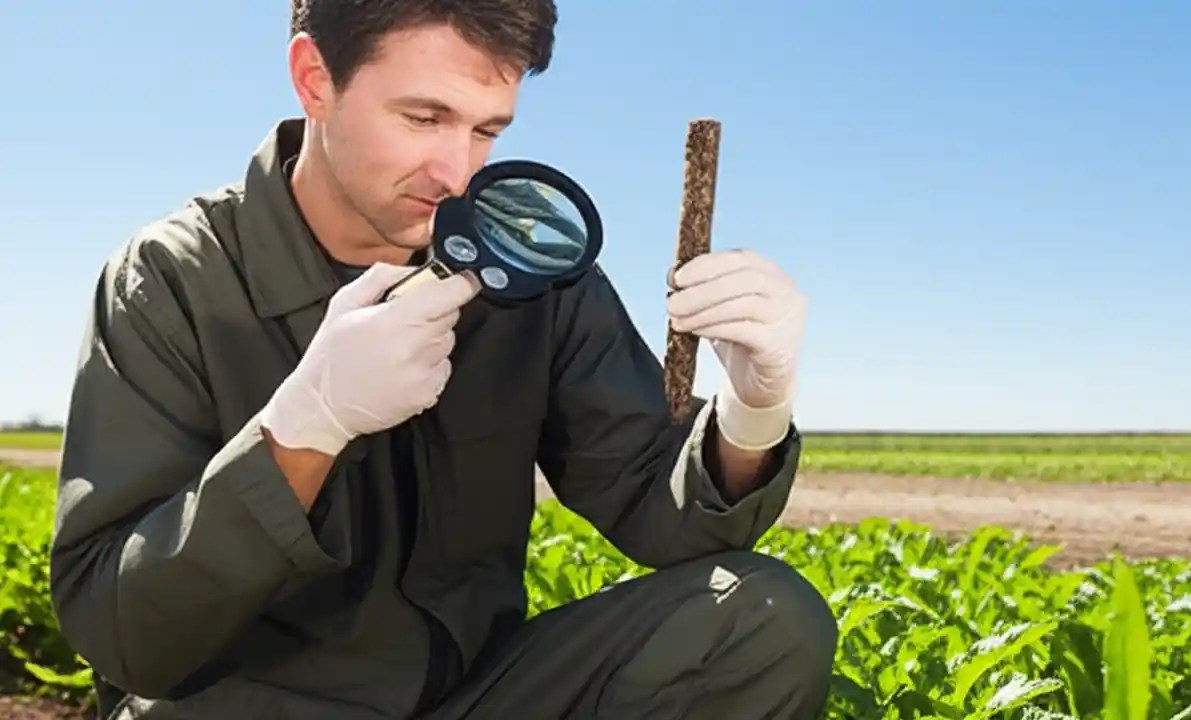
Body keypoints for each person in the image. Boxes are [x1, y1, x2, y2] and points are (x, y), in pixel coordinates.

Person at [47, 1, 838, 718]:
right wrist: (305, 429)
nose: (458, 173)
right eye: (424, 118)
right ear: (314, 78)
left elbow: (657, 511)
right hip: (248, 707)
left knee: (762, 621)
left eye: (487, 129)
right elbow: (124, 635)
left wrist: (753, 408)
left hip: (477, 695)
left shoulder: (537, 274)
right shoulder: (169, 280)